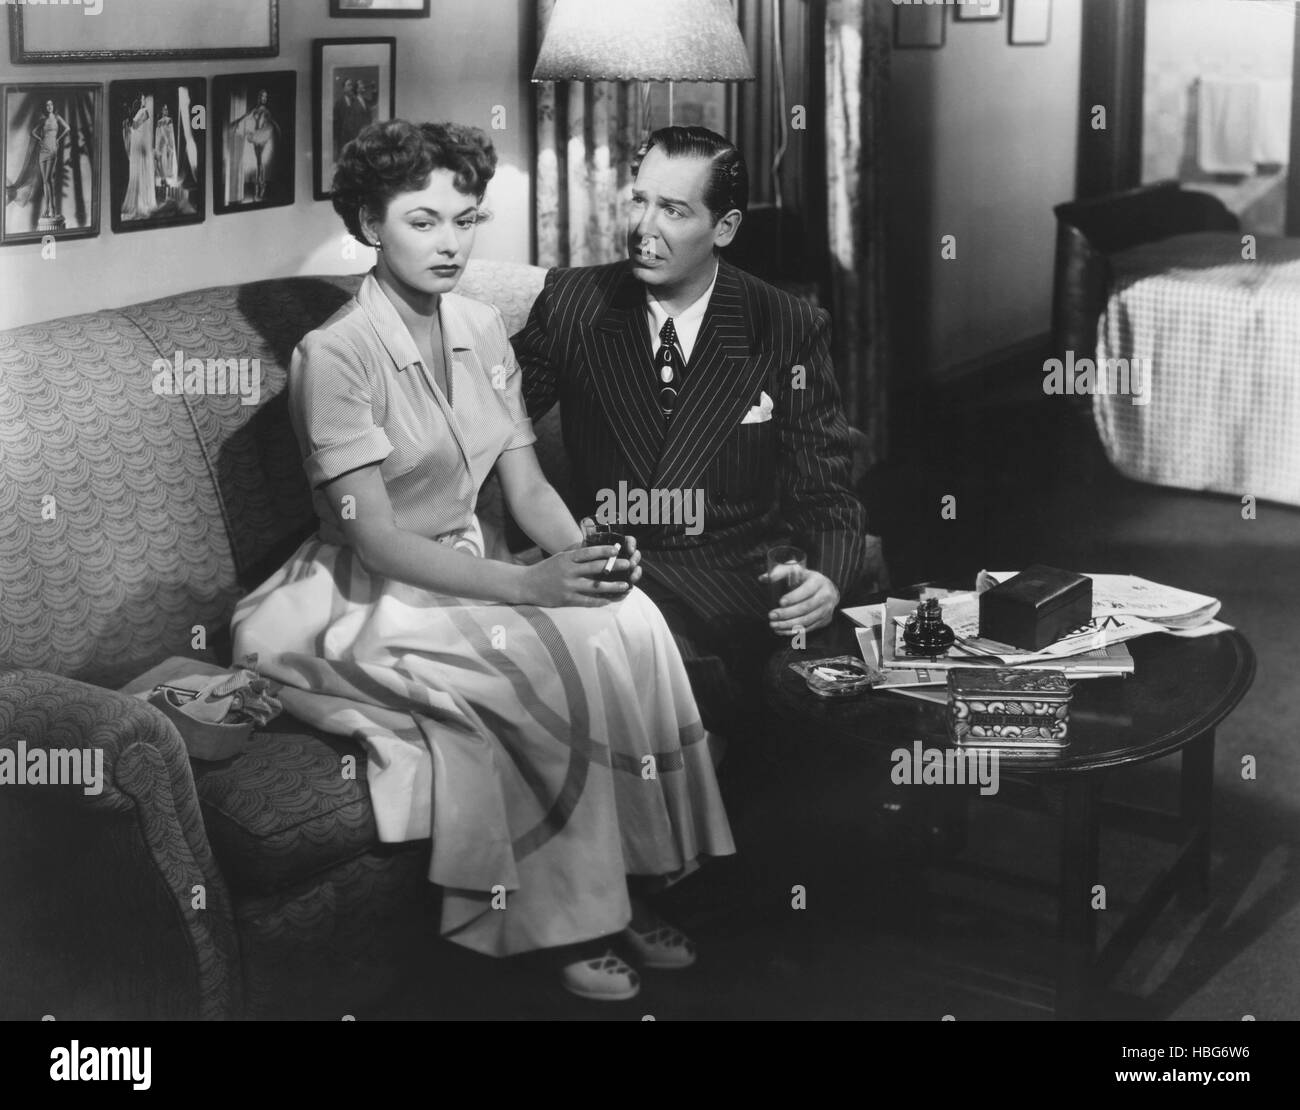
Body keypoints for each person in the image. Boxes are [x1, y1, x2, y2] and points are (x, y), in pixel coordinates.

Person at [230, 119, 734, 1003]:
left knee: (632, 620)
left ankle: (633, 883)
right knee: (525, 680)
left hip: (472, 563)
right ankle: (566, 925)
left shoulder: (478, 325)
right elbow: (375, 540)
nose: (451, 243)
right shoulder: (334, 356)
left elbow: (529, 488)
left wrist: (592, 555)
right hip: (366, 596)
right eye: (423, 221)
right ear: (367, 225)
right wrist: (531, 584)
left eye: (466, 220)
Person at [513, 125, 870, 741]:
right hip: (615, 568)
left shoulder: (786, 325)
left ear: (724, 228)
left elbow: (826, 484)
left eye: (673, 210)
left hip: (737, 578)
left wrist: (827, 577)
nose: (643, 228)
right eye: (639, 200)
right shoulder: (573, 304)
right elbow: (486, 420)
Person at [228, 89, 279, 201]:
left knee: (260, 162)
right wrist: (237, 121)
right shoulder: (255, 110)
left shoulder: (266, 111)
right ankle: (260, 186)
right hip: (256, 136)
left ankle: (260, 186)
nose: (263, 99)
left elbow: (272, 120)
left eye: (265, 97)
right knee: (259, 162)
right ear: (259, 97)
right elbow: (246, 116)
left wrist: (277, 128)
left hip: (263, 136)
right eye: (262, 96)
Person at [32, 99, 71, 220]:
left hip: (53, 149)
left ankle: (52, 208)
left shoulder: (57, 117)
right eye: (47, 104)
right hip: (42, 151)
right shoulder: (43, 120)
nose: (49, 106)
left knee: (48, 179)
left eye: (51, 104)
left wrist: (58, 139)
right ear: (45, 107)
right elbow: (33, 132)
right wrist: (40, 140)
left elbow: (68, 128)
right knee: (45, 181)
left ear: (54, 105)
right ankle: (47, 208)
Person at [120, 94, 154, 220]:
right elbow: (135, 127)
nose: (142, 100)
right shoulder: (141, 111)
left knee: (141, 173)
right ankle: (141, 201)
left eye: (143, 98)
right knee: (139, 173)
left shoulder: (144, 112)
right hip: (139, 146)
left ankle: (143, 201)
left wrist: (131, 124)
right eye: (142, 98)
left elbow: (135, 126)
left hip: (141, 146)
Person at [333, 78, 371, 157]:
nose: (351, 87)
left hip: (353, 135)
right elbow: (336, 121)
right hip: (342, 137)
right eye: (348, 85)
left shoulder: (354, 100)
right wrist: (337, 138)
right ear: (344, 88)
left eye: (351, 85)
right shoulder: (339, 102)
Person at [154, 103, 177, 188]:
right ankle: (163, 180)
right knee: (163, 162)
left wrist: (170, 144)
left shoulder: (168, 120)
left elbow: (171, 133)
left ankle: (164, 180)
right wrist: (166, 143)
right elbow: (160, 134)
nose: (166, 111)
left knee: (166, 162)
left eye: (167, 109)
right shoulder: (161, 121)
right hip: (163, 144)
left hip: (167, 144)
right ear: (162, 111)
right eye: (164, 109)